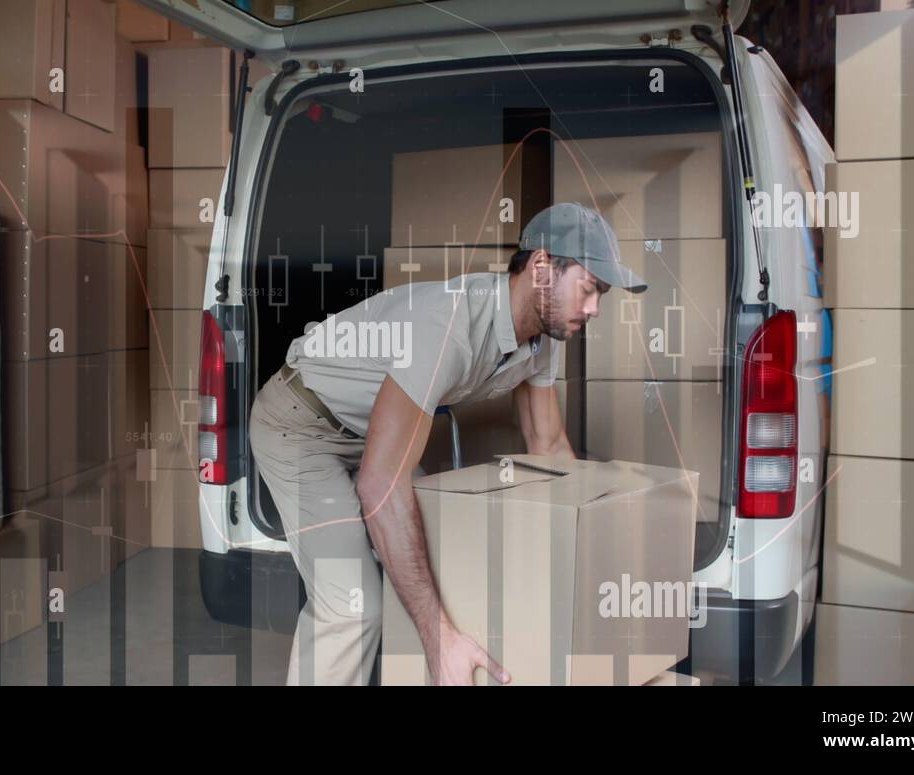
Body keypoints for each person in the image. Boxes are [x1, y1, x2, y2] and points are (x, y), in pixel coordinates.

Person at [248, 202, 647, 685]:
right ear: (543, 267)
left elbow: (549, 445)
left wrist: (597, 556)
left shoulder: (545, 339)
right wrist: (437, 639)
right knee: (354, 606)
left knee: (442, 571)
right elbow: (381, 485)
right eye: (589, 288)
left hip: (375, 437)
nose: (594, 309)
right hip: (303, 428)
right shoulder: (447, 325)